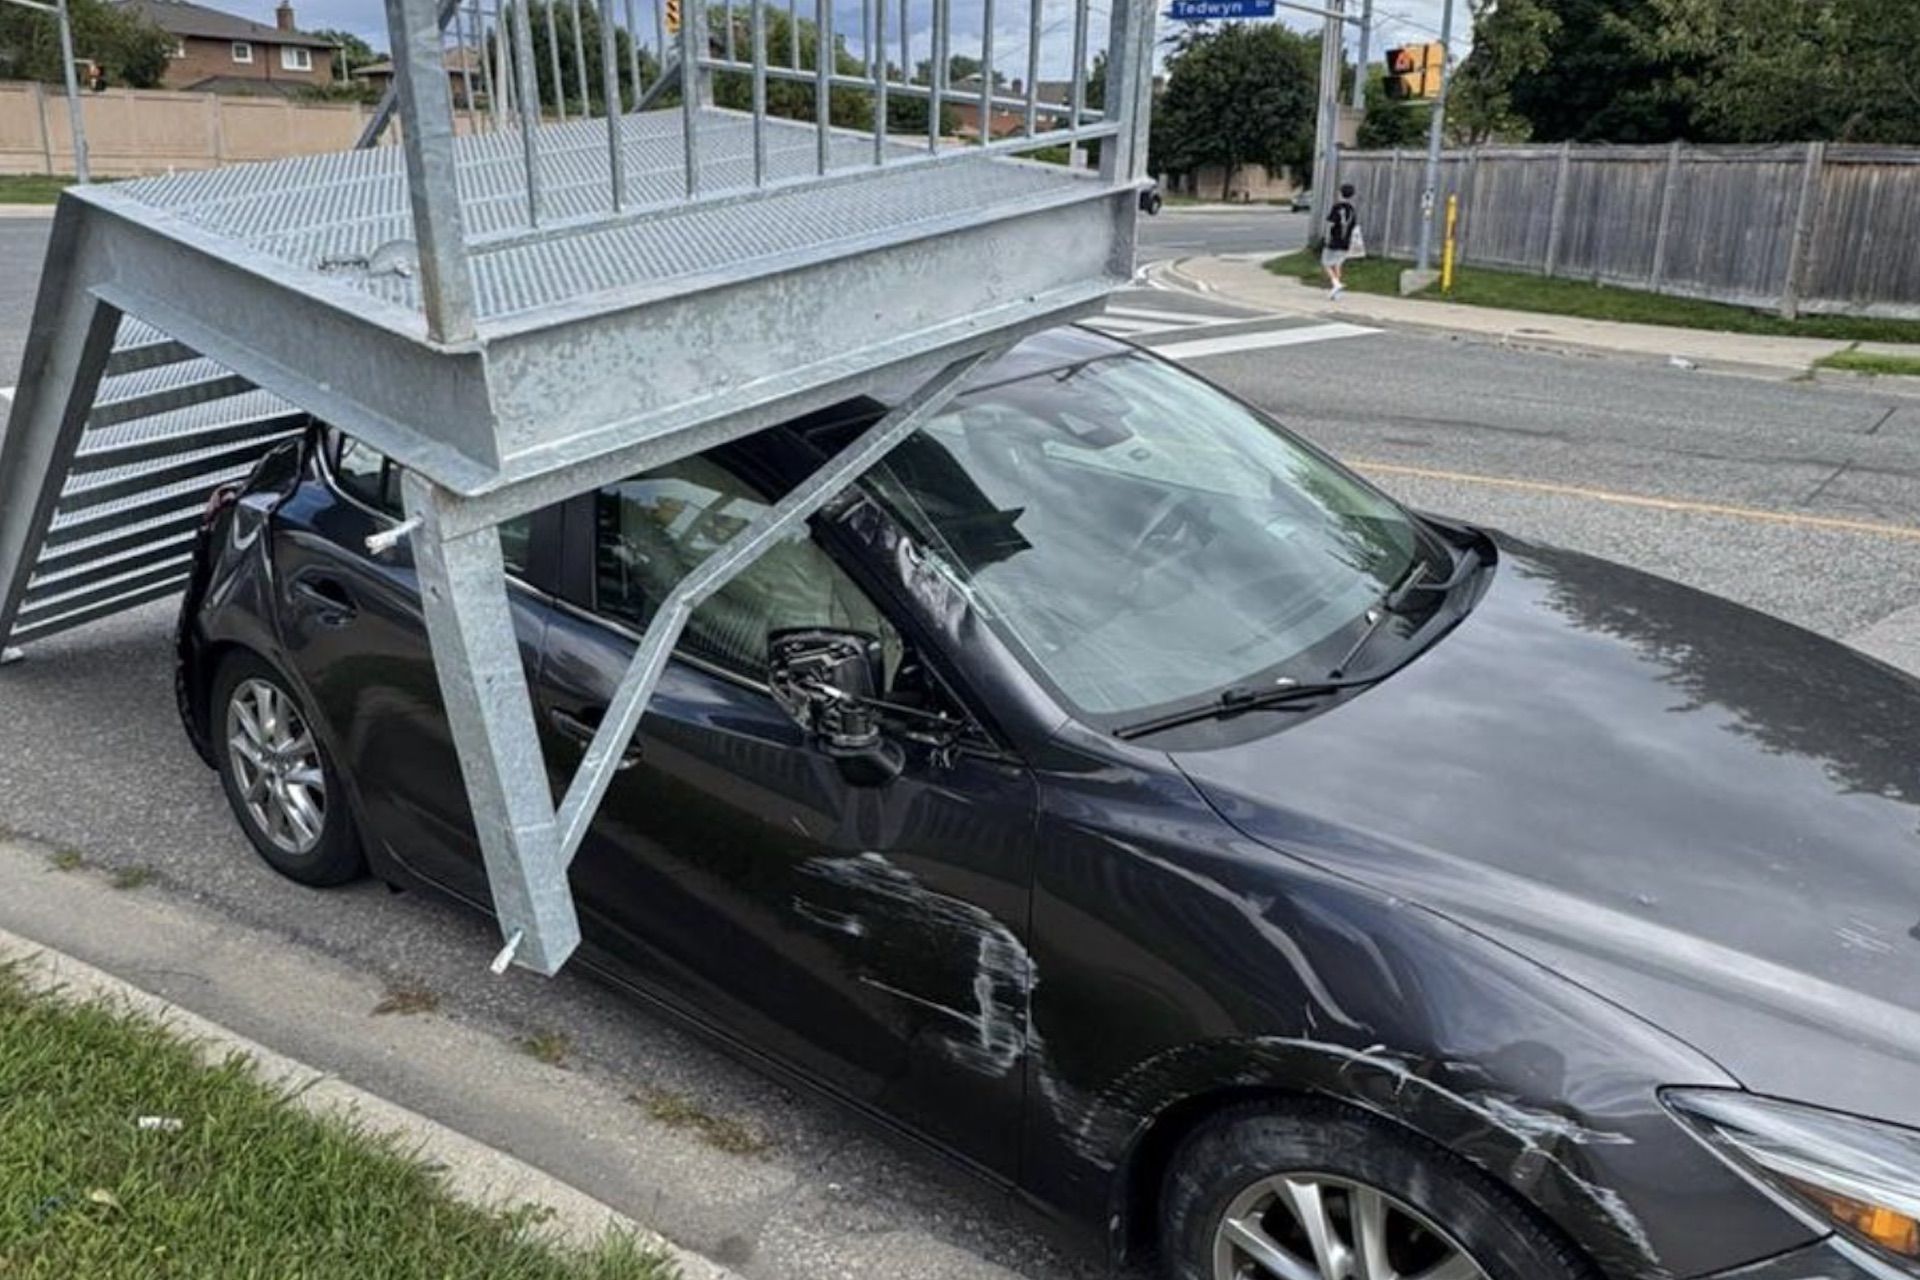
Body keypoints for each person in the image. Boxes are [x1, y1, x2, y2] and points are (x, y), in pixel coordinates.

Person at [1323, 183, 1359, 300]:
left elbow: (1331, 223)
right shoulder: (1352, 210)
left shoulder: (1337, 207)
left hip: (1334, 240)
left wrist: (1327, 237)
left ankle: (1335, 283)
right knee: (1338, 264)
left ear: (1340, 193)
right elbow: (1353, 226)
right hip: (1345, 241)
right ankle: (1336, 293)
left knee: (1326, 263)